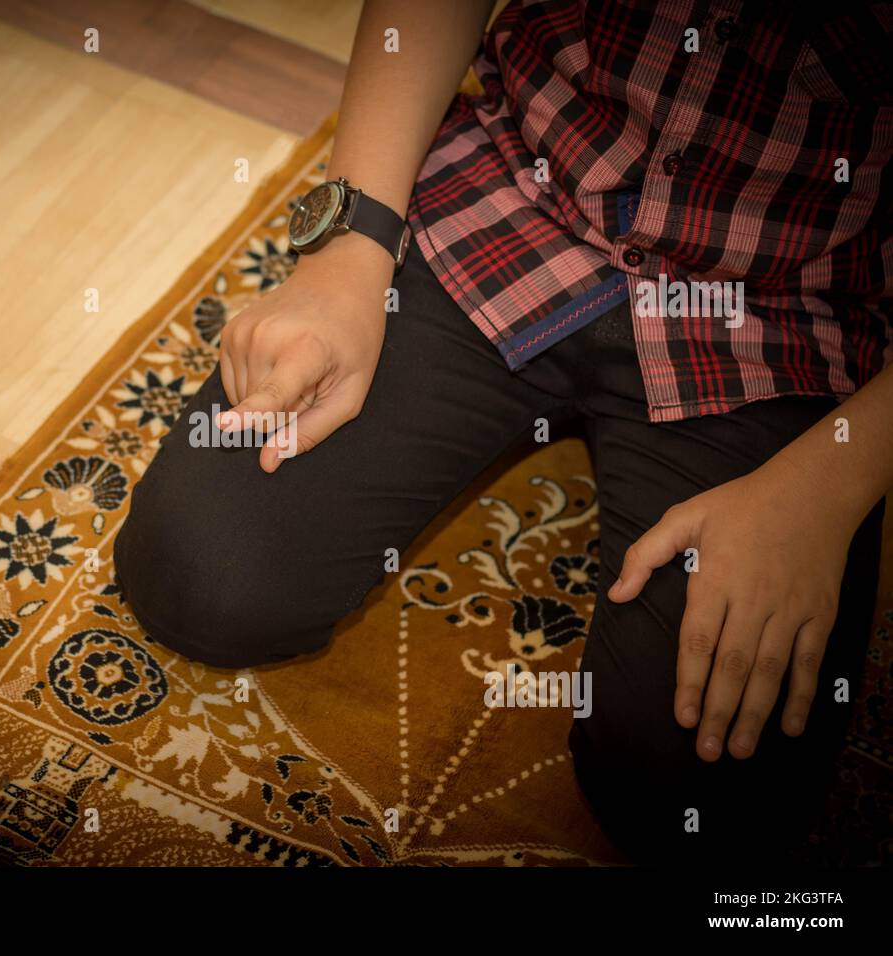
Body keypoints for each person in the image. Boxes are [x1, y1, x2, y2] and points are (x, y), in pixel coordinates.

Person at [113, 0, 893, 862]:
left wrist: (827, 486)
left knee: (697, 794)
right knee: (202, 575)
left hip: (788, 308)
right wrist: (353, 242)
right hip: (514, 191)